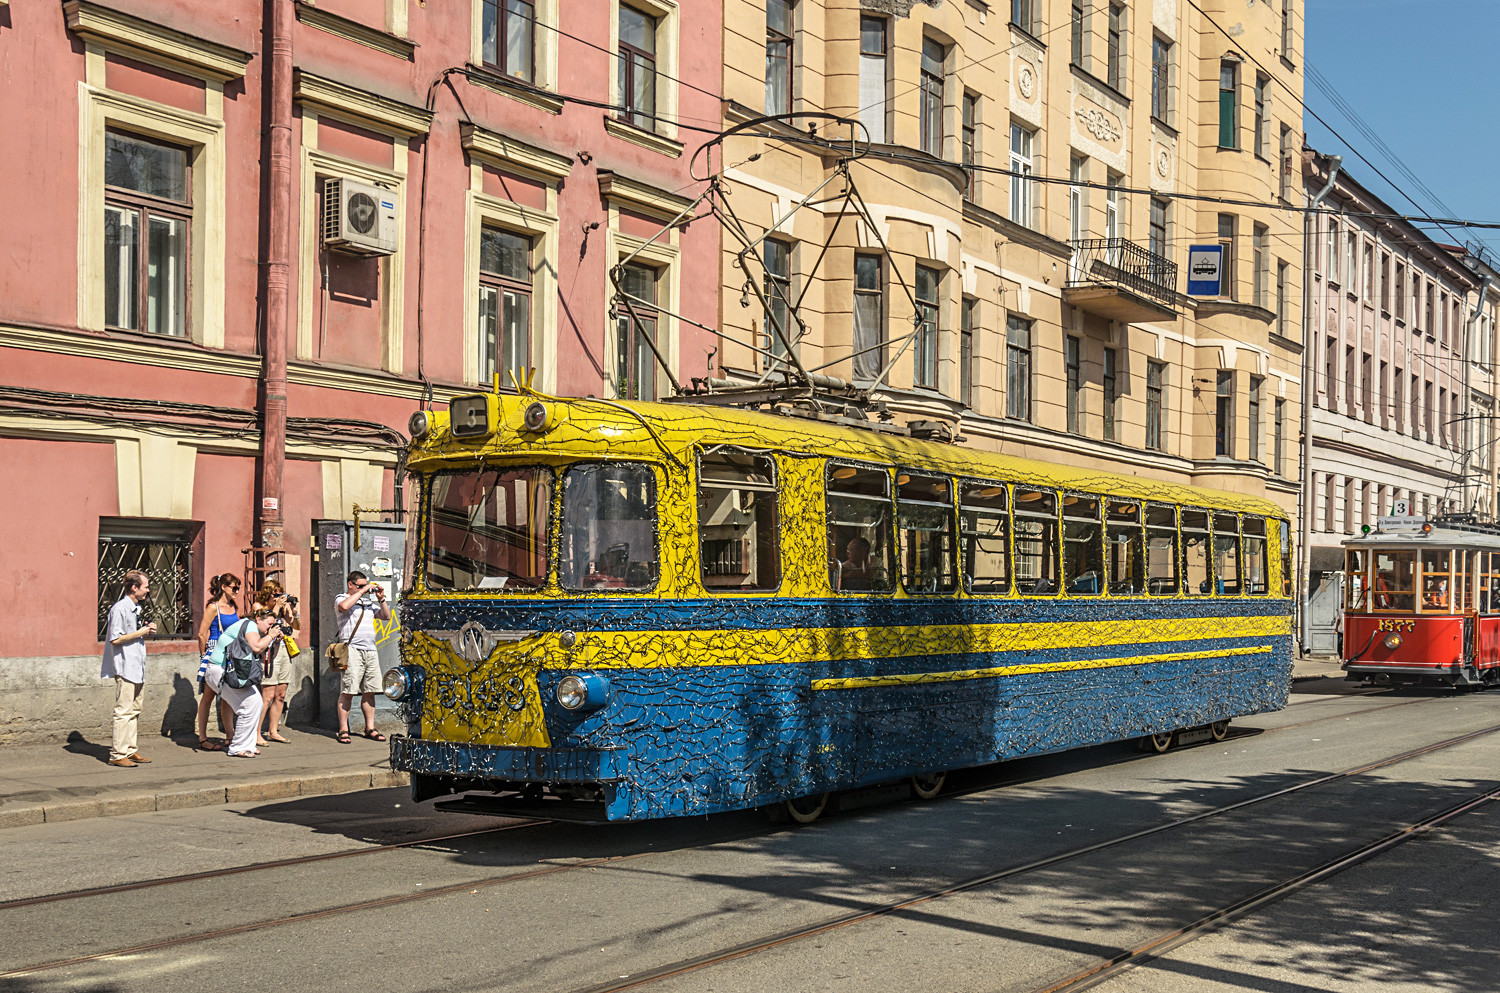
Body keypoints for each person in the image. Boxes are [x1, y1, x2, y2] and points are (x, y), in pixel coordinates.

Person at [101, 569, 156, 768]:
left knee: (134, 710)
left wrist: (145, 631)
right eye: (145, 587)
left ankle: (130, 750)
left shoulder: (135, 608)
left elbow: (132, 634)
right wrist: (140, 632)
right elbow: (115, 639)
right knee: (123, 711)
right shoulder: (120, 608)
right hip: (125, 665)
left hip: (136, 665)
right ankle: (117, 754)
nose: (147, 590)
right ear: (134, 588)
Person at [215, 607, 283, 758]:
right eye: (269, 624)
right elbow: (256, 647)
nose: (270, 628)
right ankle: (237, 747)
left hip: (228, 670)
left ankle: (249, 745)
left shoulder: (252, 628)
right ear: (258, 619)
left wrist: (272, 639)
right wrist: (271, 636)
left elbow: (260, 650)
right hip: (220, 670)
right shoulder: (250, 625)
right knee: (249, 705)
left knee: (256, 702)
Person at [335, 570, 391, 744]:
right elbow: (344, 607)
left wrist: (381, 599)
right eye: (360, 586)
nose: (364, 589)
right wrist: (362, 591)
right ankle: (343, 729)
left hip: (370, 650)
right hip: (351, 650)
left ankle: (370, 728)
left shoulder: (367, 603)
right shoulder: (341, 598)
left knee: (370, 690)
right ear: (350, 584)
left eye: (365, 585)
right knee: (348, 690)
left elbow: (386, 616)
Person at [194, 573, 240, 751]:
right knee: (208, 696)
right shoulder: (213, 607)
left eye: (238, 588)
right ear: (223, 587)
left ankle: (230, 735)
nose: (236, 591)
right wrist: (203, 656)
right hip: (215, 652)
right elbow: (201, 634)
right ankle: (202, 737)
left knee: (227, 696)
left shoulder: (233, 606)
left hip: (230, 653)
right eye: (234, 587)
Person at [253, 580, 299, 746]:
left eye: (280, 594)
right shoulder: (258, 606)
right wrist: (277, 607)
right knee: (267, 696)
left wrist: (293, 611)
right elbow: (264, 626)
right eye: (275, 595)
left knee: (280, 695)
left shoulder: (282, 609)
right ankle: (256, 733)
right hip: (267, 653)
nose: (278, 598)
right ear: (267, 594)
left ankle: (273, 731)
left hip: (283, 650)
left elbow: (296, 626)